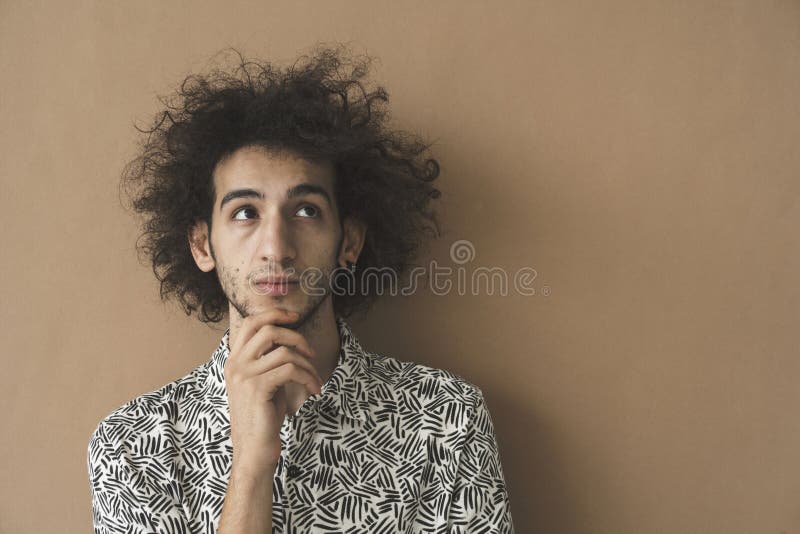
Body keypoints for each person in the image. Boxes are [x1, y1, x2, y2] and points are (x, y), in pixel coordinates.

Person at [87, 44, 514, 533]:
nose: (276, 246)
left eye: (306, 210)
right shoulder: (131, 446)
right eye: (245, 212)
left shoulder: (447, 421)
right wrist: (250, 466)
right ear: (203, 245)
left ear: (348, 240)